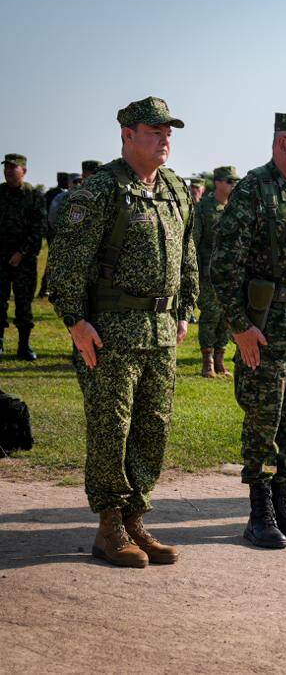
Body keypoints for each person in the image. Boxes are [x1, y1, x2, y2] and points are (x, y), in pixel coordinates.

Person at [47, 96, 198, 569]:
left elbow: (187, 254)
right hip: (109, 333)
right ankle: (109, 525)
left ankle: (135, 518)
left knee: (152, 427)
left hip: (159, 332)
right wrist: (76, 322)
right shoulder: (98, 192)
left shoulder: (174, 187)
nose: (164, 138)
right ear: (127, 134)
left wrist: (186, 309)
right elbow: (65, 267)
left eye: (168, 131)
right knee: (112, 428)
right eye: (154, 131)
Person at [210, 113, 286, 550]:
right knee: (264, 421)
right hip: (266, 332)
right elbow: (223, 269)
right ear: (282, 142)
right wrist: (240, 327)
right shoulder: (253, 191)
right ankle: (259, 513)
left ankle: (283, 507)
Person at [193, 165, 240, 378]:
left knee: (226, 317)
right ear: (218, 182)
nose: (233, 185)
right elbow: (194, 242)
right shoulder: (203, 208)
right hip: (209, 274)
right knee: (210, 315)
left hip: (231, 275)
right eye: (230, 181)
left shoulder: (237, 208)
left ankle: (221, 360)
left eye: (235, 182)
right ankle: (207, 361)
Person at [0, 153, 45, 360]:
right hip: (0, 258)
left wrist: (22, 253)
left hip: (24, 261)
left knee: (24, 303)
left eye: (13, 167)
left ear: (24, 171)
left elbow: (38, 229)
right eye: (6, 167)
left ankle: (24, 346)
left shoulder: (34, 196)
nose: (9, 171)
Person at [42, 160, 103, 298]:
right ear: (84, 175)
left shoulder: (106, 195)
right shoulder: (71, 196)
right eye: (91, 174)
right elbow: (53, 218)